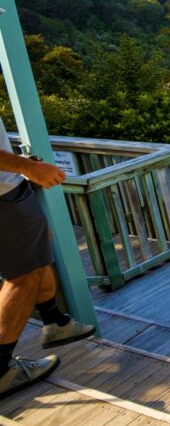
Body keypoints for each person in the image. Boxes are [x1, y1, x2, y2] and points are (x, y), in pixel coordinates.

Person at [0, 116, 94, 399]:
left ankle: (56, 323)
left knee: (37, 252)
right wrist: (30, 168)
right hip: (3, 193)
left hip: (11, 188)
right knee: (22, 277)